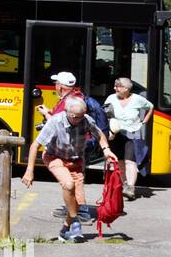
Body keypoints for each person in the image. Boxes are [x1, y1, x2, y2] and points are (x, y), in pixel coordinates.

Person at [23, 96, 118, 241]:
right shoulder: (55, 122)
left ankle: (65, 230)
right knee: (68, 184)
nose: (78, 120)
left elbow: (99, 135)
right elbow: (35, 145)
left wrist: (106, 150)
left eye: (81, 116)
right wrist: (29, 171)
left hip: (75, 161)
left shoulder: (86, 120)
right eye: (75, 117)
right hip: (54, 157)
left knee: (78, 202)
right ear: (67, 112)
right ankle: (75, 222)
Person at [103, 77, 154, 200]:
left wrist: (143, 122)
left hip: (132, 134)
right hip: (116, 134)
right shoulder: (111, 98)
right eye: (115, 86)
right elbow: (104, 111)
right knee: (120, 161)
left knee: (130, 161)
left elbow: (150, 107)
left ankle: (131, 188)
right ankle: (124, 184)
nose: (115, 88)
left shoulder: (137, 99)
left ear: (126, 88)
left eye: (118, 86)